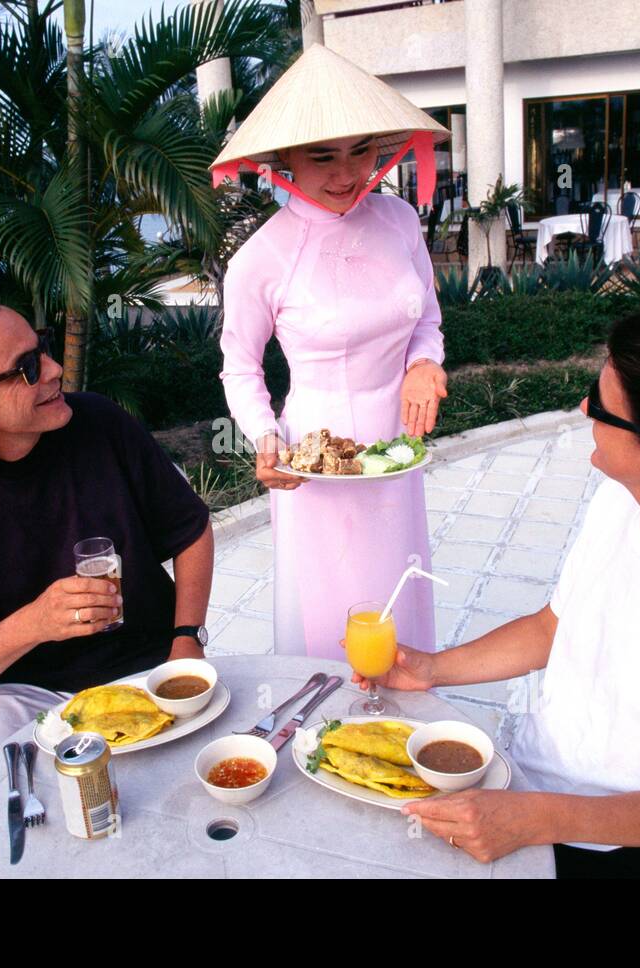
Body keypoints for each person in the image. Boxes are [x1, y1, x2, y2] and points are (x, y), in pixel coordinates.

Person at [350, 309, 640, 877]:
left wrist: (530, 820)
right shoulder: (628, 500)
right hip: (532, 788)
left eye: (598, 402)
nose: (582, 409)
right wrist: (432, 669)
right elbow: (556, 626)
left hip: (636, 847)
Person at [0, 293, 214, 779]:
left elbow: (191, 532)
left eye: (40, 347)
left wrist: (187, 640)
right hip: (27, 695)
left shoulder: (101, 425)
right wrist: (35, 623)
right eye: (25, 369)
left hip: (149, 664)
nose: (54, 368)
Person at [213, 44, 452, 659]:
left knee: (397, 592)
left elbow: (425, 314)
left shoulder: (400, 220)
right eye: (322, 156)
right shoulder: (261, 257)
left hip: (396, 449)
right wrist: (267, 439)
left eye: (362, 151)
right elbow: (240, 366)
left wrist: (425, 363)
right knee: (329, 605)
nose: (346, 174)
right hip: (313, 458)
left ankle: (400, 714)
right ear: (284, 159)